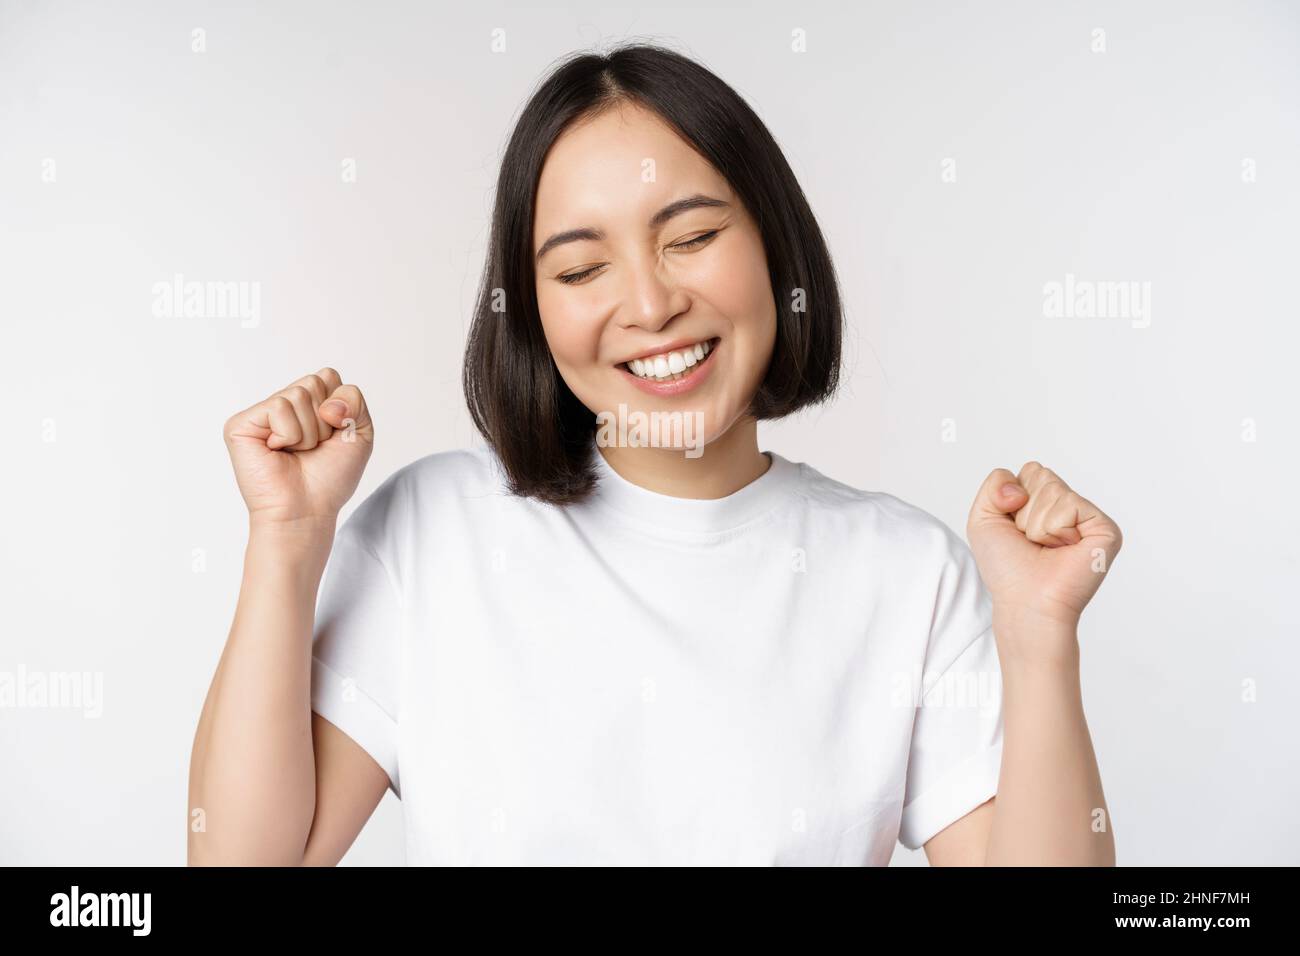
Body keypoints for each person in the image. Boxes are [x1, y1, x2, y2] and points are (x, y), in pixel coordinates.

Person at [188, 43, 1122, 866]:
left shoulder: (908, 574)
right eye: (583, 268)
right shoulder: (433, 533)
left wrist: (1040, 637)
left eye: (693, 237)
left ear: (774, 250)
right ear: (533, 308)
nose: (648, 304)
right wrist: (290, 535)